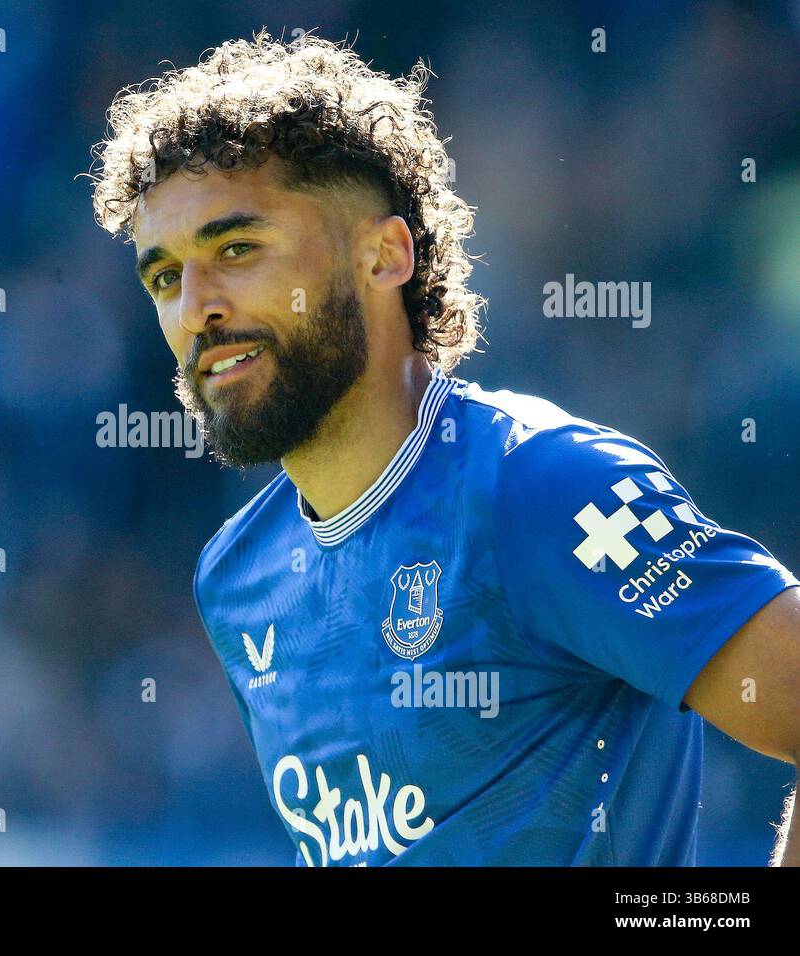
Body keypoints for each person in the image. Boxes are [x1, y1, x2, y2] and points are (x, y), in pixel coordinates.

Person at [87, 31, 800, 865]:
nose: (195, 308)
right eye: (165, 277)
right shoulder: (237, 575)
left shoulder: (539, 485)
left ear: (384, 256)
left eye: (236, 250)